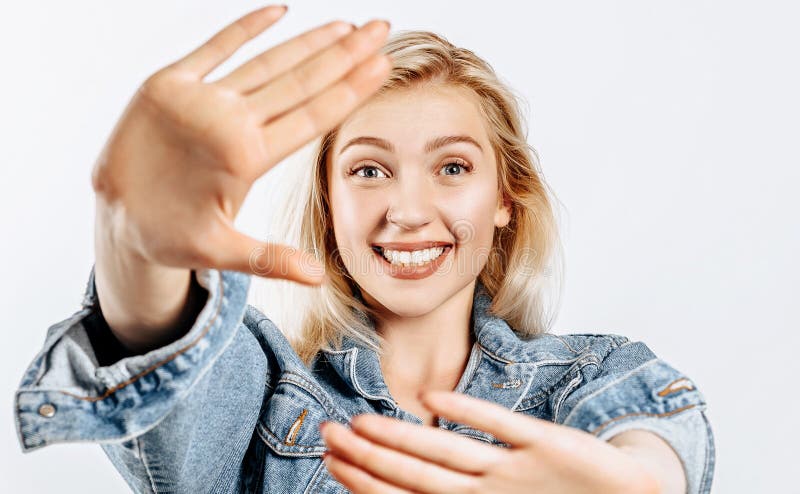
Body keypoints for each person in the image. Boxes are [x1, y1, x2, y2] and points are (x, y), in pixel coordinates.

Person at [12, 5, 715, 493]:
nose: (407, 212)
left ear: (506, 199)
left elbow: (651, 438)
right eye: (369, 170)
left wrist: (635, 482)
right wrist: (134, 240)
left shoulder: (587, 377)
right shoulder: (269, 399)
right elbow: (160, 341)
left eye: (453, 168)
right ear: (329, 202)